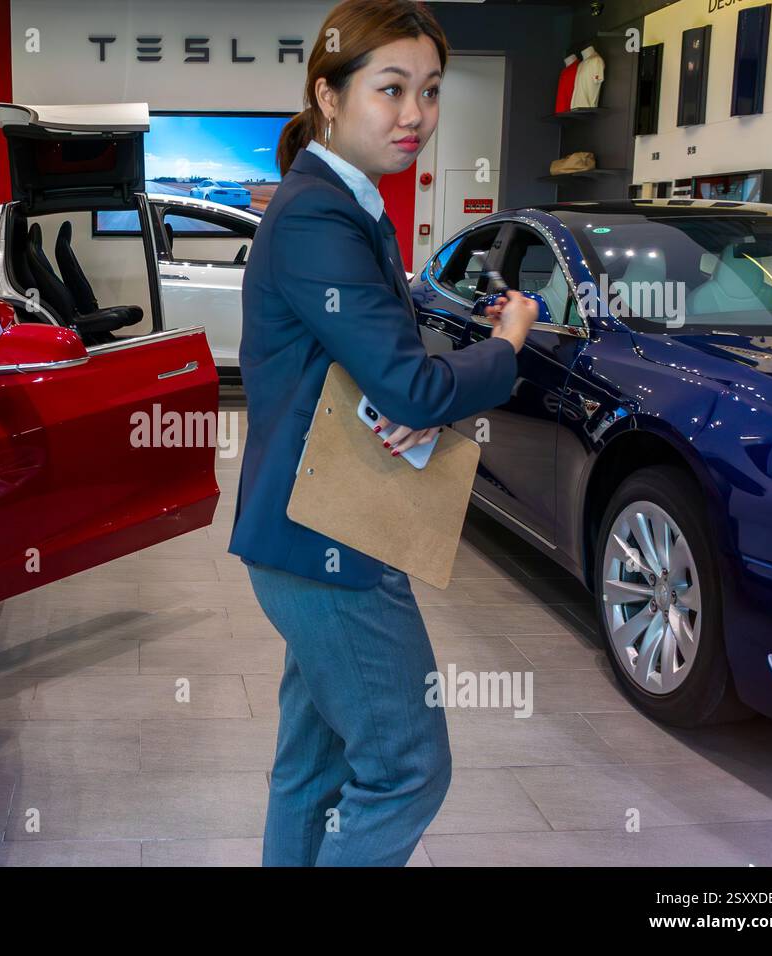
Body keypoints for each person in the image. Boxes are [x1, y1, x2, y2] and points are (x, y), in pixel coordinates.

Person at [228, 0, 537, 867]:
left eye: (431, 91)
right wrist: (505, 344)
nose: (416, 115)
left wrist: (408, 383)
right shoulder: (321, 214)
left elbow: (383, 365)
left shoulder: (338, 205)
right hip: (330, 541)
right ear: (329, 95)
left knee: (313, 765)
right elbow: (408, 380)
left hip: (312, 533)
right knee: (407, 771)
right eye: (391, 88)